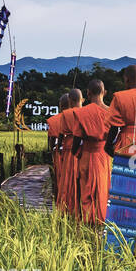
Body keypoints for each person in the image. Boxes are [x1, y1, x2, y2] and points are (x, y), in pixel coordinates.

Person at [104, 64, 136, 221]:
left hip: (127, 140)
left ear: (126, 79)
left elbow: (115, 126)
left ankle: (121, 220)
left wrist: (109, 145)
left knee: (123, 183)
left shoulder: (120, 97)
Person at [71, 80, 111, 225]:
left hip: (86, 155)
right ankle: (102, 220)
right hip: (103, 154)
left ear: (87, 94)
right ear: (104, 92)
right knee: (102, 189)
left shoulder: (82, 113)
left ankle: (88, 221)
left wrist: (76, 154)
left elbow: (76, 139)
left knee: (86, 190)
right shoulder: (111, 111)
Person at [56, 88, 84, 217]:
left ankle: (67, 205)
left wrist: (58, 150)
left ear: (70, 101)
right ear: (82, 99)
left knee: (68, 179)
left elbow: (61, 136)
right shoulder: (86, 112)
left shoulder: (65, 115)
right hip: (84, 150)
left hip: (69, 150)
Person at [47, 95, 69, 209]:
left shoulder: (54, 120)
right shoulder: (77, 117)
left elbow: (51, 140)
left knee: (59, 180)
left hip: (58, 154)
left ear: (60, 106)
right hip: (74, 153)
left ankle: (60, 203)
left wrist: (52, 152)